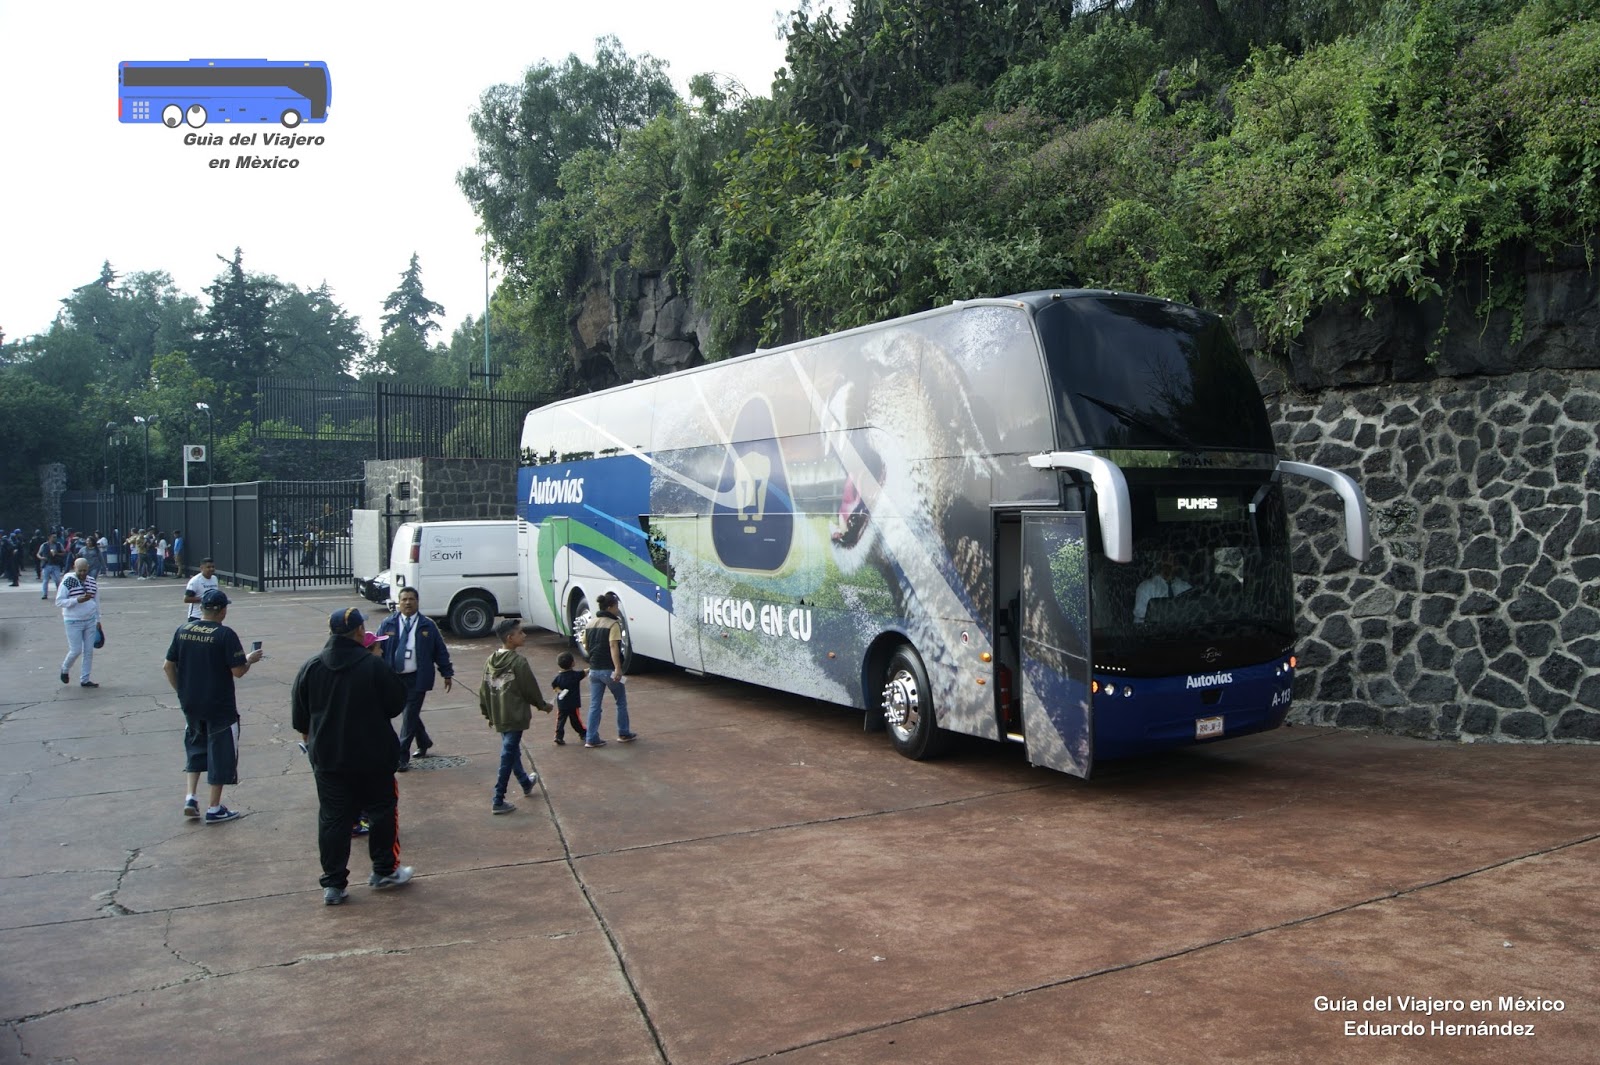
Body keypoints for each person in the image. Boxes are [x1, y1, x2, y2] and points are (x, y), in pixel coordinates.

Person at [290, 608, 412, 905]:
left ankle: (334, 883)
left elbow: (300, 719)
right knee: (382, 810)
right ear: (359, 632)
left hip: (329, 758)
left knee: (334, 818)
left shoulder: (312, 666)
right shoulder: (373, 665)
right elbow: (396, 703)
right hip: (372, 755)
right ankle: (384, 870)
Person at [163, 588, 263, 822]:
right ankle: (214, 807)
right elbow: (238, 671)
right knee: (221, 752)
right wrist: (249, 659)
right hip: (219, 705)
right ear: (223, 611)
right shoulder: (225, 635)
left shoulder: (183, 630)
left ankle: (190, 796)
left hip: (191, 703)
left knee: (195, 747)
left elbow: (168, 666)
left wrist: (182, 692)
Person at [375, 587, 454, 770]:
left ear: (417, 602)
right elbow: (378, 649)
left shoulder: (428, 626)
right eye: (404, 599)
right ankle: (424, 741)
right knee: (409, 713)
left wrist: (446, 672)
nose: (408, 603)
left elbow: (439, 651)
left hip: (417, 678)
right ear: (399, 602)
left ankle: (402, 757)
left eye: (411, 599)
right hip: (394, 678)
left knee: (409, 715)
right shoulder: (388, 624)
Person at [479, 619, 551, 814]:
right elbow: (530, 689)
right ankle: (498, 798)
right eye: (520, 633)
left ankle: (525, 782)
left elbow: (484, 690)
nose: (524, 635)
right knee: (508, 753)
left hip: (499, 714)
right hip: (515, 715)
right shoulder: (519, 662)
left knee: (511, 751)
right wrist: (543, 705)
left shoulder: (490, 660)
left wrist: (488, 712)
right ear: (510, 638)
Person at [583, 591, 637, 748]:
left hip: (594, 670)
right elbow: (614, 646)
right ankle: (623, 732)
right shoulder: (613, 624)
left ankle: (591, 738)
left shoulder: (590, 623)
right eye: (616, 606)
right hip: (609, 669)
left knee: (595, 705)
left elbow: (586, 645)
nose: (618, 609)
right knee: (620, 701)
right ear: (610, 607)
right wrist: (618, 669)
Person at [57, 557, 101, 687]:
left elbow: (96, 602)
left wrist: (98, 619)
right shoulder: (68, 581)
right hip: (73, 620)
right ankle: (65, 669)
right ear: (74, 568)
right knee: (76, 650)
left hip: (90, 620)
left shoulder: (92, 582)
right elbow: (59, 601)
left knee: (88, 651)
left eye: (85, 570)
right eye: (80, 570)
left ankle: (85, 679)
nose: (82, 573)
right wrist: (77, 600)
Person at [1133, 551, 1193, 624]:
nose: (1172, 563)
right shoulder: (1146, 587)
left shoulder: (1185, 587)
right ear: (1162, 561)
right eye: (1168, 559)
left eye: (1175, 560)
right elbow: (1139, 621)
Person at [550, 651, 587, 746]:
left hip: (562, 704)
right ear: (573, 663)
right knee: (575, 720)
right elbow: (585, 672)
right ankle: (583, 733)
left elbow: (554, 687)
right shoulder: (575, 675)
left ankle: (558, 736)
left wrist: (560, 692)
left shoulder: (558, 678)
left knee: (561, 720)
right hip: (573, 703)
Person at [38, 532, 66, 600]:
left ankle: (59, 593)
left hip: (56, 564)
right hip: (46, 564)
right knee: (45, 580)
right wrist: (41, 558)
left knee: (57, 580)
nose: (55, 538)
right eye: (53, 537)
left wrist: (57, 553)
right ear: (49, 537)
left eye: (55, 537)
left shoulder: (59, 545)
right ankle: (45, 594)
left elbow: (64, 553)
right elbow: (38, 553)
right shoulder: (44, 545)